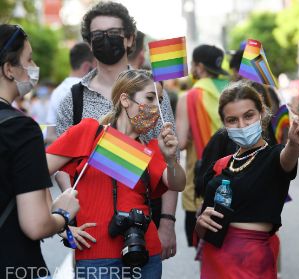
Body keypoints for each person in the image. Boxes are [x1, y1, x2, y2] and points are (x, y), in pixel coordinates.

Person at [54, 2, 181, 261]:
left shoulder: (153, 93)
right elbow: (61, 166)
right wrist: (67, 219)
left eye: (113, 33)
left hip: (143, 225)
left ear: (130, 39)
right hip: (92, 230)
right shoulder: (73, 99)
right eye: (98, 35)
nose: (105, 40)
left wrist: (167, 221)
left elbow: (170, 156)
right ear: (89, 43)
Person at [46, 69, 185, 278]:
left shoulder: (154, 148)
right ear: (125, 99)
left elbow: (177, 184)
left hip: (144, 252)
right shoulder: (89, 133)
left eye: (160, 101)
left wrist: (172, 159)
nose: (157, 108)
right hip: (95, 255)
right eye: (150, 98)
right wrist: (59, 224)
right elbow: (32, 174)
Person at [194, 80, 299, 278]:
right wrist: (200, 223)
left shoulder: (274, 157)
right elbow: (205, 220)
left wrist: (295, 143)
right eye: (232, 120)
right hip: (213, 258)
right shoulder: (221, 164)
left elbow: (288, 156)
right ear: (224, 123)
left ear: (262, 113)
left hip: (250, 261)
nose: (242, 125)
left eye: (248, 116)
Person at [0, 24, 81, 279]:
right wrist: (62, 213)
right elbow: (36, 224)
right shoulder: (20, 128)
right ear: (8, 69)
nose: (33, 66)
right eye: (29, 59)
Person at [174, 44, 230, 247]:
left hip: (201, 184)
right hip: (237, 178)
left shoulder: (189, 97)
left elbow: (179, 143)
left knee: (205, 249)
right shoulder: (235, 91)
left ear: (198, 67)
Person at [46, 42, 95, 144]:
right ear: (87, 67)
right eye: (95, 67)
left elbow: (50, 134)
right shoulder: (90, 91)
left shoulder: (57, 92)